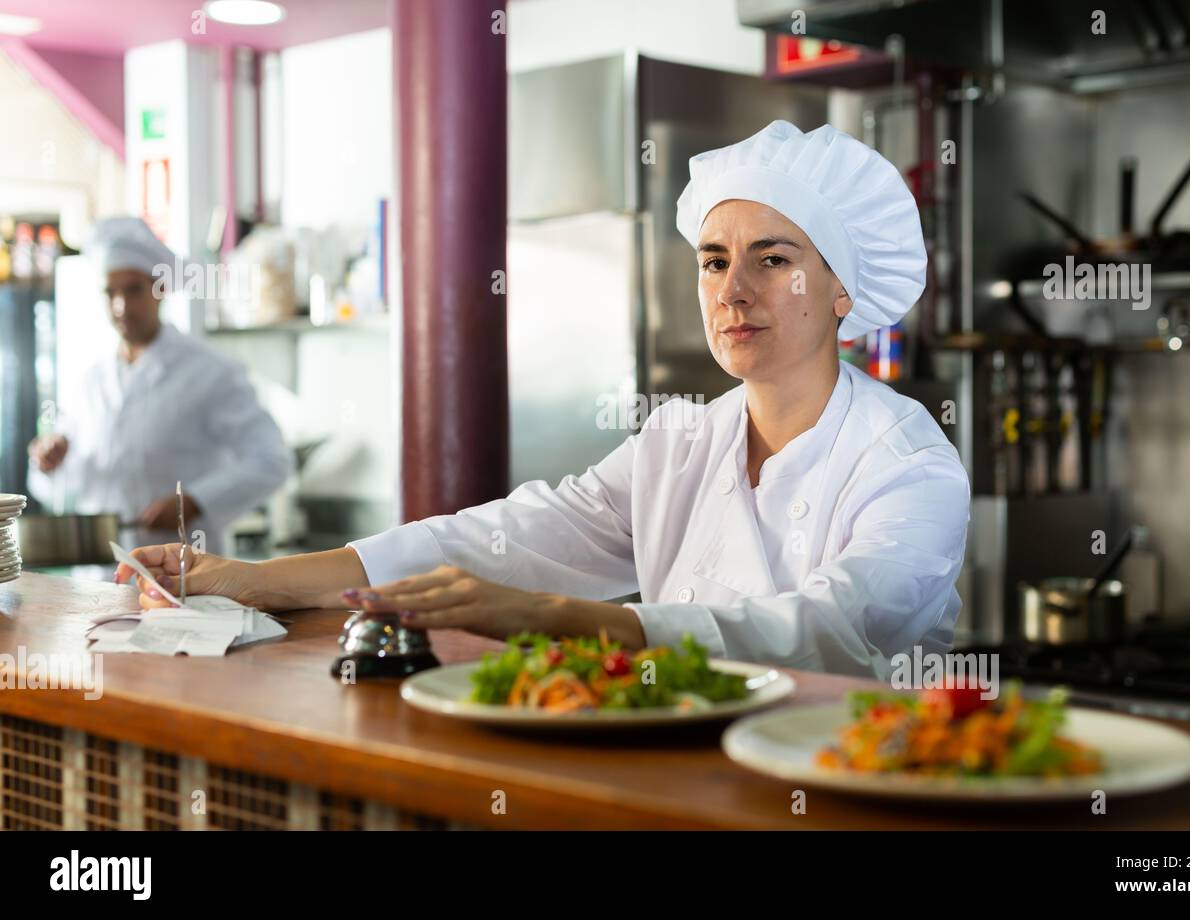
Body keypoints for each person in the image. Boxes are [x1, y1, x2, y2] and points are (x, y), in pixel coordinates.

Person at [119, 121, 970, 678]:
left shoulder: (909, 464)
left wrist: (560, 618)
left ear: (842, 290)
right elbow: (507, 536)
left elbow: (829, 629)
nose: (733, 290)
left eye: (772, 259)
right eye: (714, 260)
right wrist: (259, 581)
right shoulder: (679, 443)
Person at [29, 217, 290, 556]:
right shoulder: (89, 381)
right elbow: (64, 486)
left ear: (161, 289)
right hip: (101, 576)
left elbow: (271, 460)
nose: (120, 306)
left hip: (185, 575)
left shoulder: (211, 371)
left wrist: (195, 501)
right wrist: (49, 462)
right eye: (110, 292)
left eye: (134, 289)